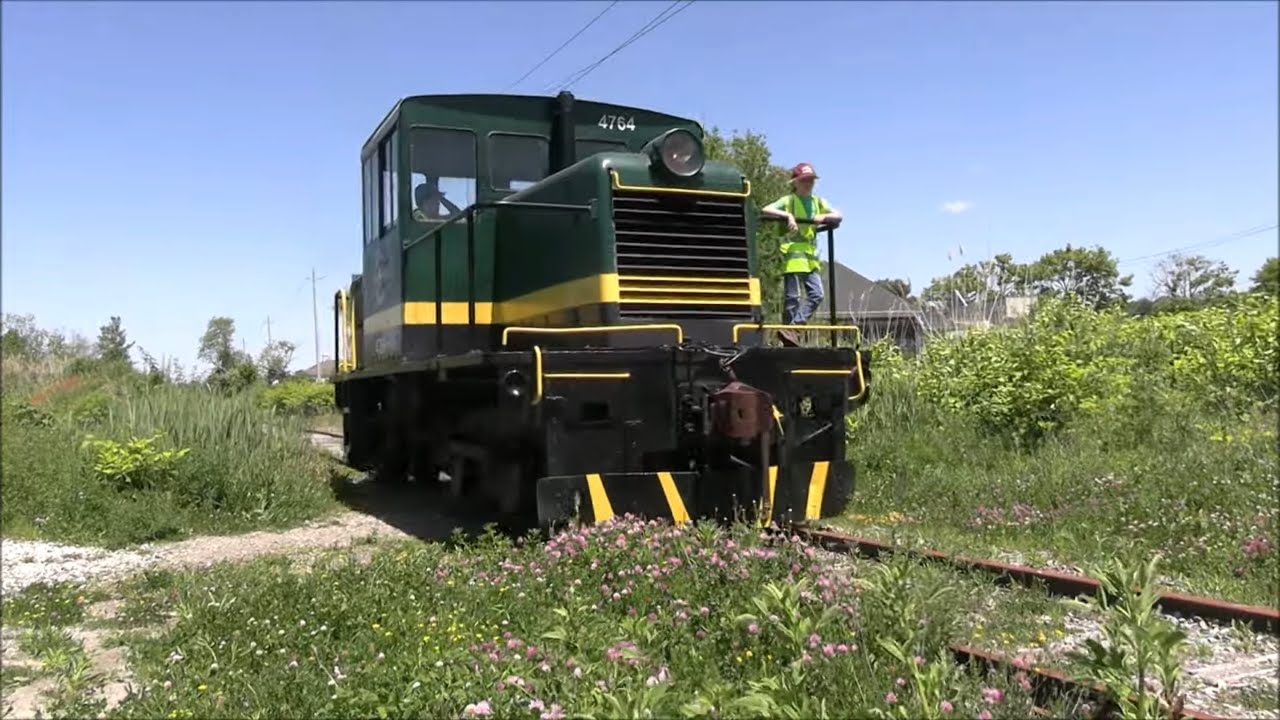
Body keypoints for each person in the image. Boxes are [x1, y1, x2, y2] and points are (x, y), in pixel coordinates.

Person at [761, 163, 843, 346]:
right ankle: (788, 339)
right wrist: (787, 216)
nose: (809, 184)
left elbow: (838, 215)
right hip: (791, 255)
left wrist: (824, 217)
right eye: (805, 180)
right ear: (796, 182)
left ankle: (793, 328)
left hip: (809, 257)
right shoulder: (789, 200)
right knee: (792, 298)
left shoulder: (817, 202)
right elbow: (766, 209)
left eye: (811, 181)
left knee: (816, 294)